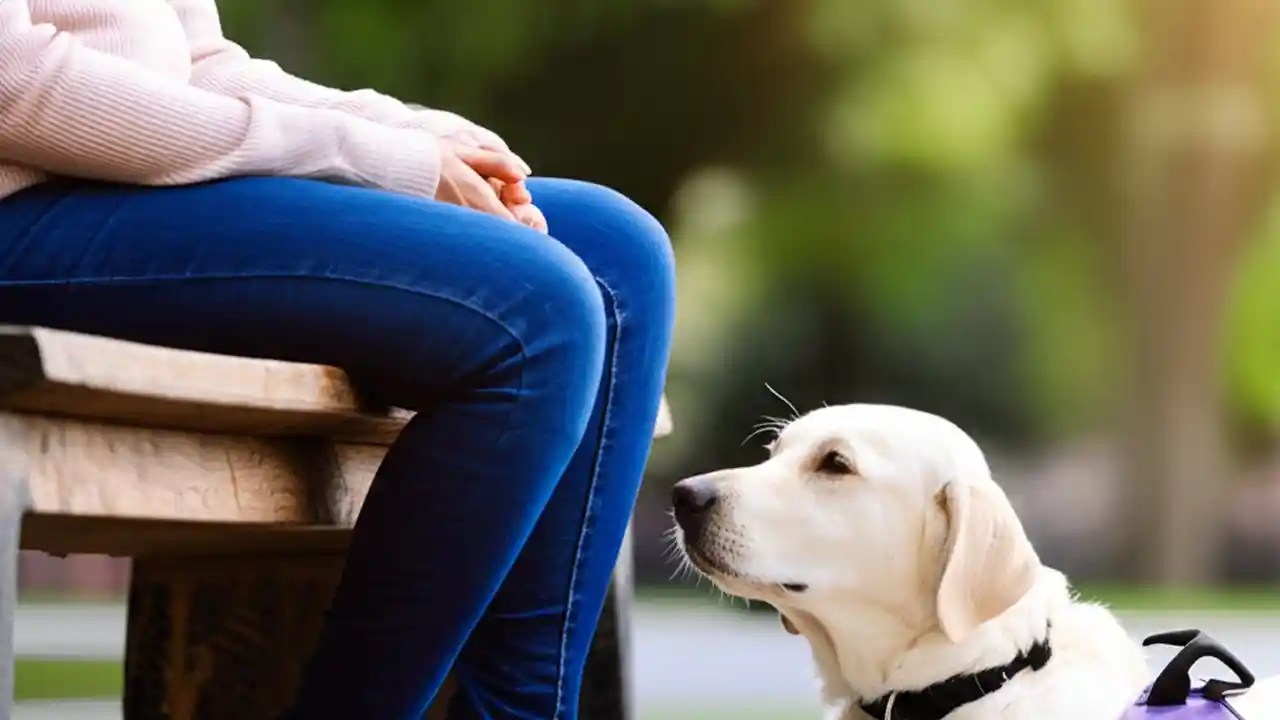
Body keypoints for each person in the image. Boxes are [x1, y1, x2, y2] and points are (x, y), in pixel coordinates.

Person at [0, 1, 676, 718]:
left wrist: (419, 131)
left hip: (131, 189)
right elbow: (16, 82)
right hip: (27, 209)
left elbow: (199, 62)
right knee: (536, 312)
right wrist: (376, 157)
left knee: (615, 256)